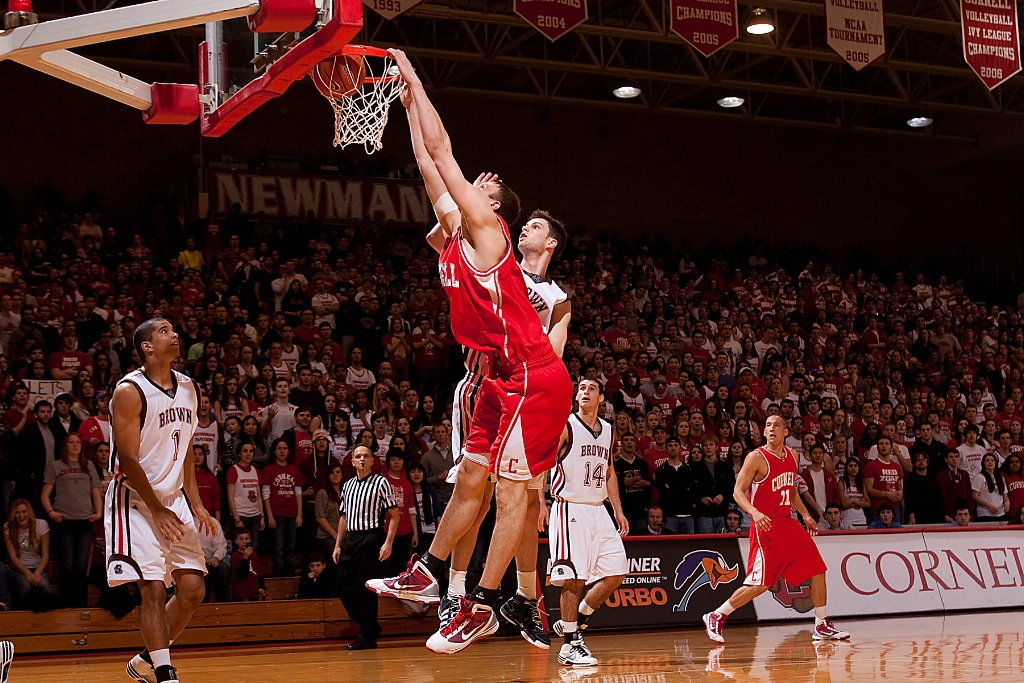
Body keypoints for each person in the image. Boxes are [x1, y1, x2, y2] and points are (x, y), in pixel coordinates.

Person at [370, 54, 573, 655]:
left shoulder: (488, 231)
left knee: (513, 494)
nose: (473, 180)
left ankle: (483, 604)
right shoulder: (458, 231)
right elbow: (426, 158)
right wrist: (406, 99)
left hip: (534, 376)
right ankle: (431, 571)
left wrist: (412, 73)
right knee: (470, 484)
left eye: (484, 184)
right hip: (498, 378)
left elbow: (444, 151)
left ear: (496, 209)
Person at [105, 318, 216, 683]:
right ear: (146, 347)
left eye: (174, 329)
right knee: (152, 586)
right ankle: (165, 673)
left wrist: (195, 502)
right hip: (134, 500)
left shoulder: (189, 387)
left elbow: (184, 447)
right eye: (165, 330)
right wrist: (156, 508)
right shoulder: (129, 390)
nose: (175, 334)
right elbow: (128, 459)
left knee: (192, 588)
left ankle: (145, 661)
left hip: (172, 498)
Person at [703, 415, 849, 643]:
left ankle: (821, 624)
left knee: (817, 570)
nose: (771, 429)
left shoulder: (792, 455)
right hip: (766, 526)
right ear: (764, 432)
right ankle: (716, 614)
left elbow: (790, 491)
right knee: (761, 584)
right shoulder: (756, 458)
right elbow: (737, 492)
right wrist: (755, 512)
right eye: (768, 425)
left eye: (776, 425)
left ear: (786, 432)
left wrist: (805, 514)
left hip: (788, 524)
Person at [546, 379, 629, 667]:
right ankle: (569, 646)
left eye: (590, 389)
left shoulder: (607, 429)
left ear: (601, 398)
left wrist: (618, 510)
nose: (584, 392)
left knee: (618, 570)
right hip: (570, 508)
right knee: (574, 576)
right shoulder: (566, 425)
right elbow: (544, 462)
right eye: (580, 389)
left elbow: (609, 471)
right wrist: (541, 503)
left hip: (598, 509)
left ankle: (577, 621)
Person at [332, 446, 399, 651]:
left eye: (366, 456)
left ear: (372, 461)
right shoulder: (348, 486)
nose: (362, 459)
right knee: (343, 585)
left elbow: (395, 516)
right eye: (358, 457)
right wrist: (337, 545)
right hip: (350, 539)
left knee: (366, 589)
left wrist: (388, 543)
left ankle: (367, 636)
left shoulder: (381, 482)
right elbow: (343, 517)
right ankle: (371, 625)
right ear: (352, 462)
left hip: (371, 538)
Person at [40, 432, 102, 607]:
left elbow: (96, 491)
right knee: (67, 564)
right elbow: (45, 495)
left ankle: (80, 604)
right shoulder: (56, 466)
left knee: (81, 565)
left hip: (84, 519)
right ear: (65, 445)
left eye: (78, 442)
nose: (75, 445)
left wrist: (98, 513)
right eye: (71, 442)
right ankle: (65, 602)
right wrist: (51, 512)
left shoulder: (88, 465)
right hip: (64, 519)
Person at [262, 439, 304, 576]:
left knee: (291, 548)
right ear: (274, 451)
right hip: (277, 514)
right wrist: (270, 516)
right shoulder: (269, 470)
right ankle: (279, 578)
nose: (282, 451)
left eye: (284, 448)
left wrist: (300, 514)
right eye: (279, 448)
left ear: (288, 451)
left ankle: (290, 577)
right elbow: (266, 494)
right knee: (278, 549)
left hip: (292, 514)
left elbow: (298, 493)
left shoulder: (294, 470)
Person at [4, 499, 54, 608]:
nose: (21, 515)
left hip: (37, 566)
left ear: (29, 512)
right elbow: (12, 556)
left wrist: (37, 573)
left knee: (45, 585)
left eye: (24, 511)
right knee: (25, 585)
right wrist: (27, 573)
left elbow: (45, 554)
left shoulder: (42, 525)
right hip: (18, 568)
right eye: (17, 512)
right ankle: (17, 611)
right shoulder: (8, 527)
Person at [863, 436, 904, 523]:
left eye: (887, 444)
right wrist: (887, 494)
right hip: (878, 509)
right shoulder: (871, 466)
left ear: (891, 447)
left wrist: (900, 492)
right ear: (877, 448)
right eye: (881, 444)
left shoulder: (897, 466)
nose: (884, 446)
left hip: (894, 508)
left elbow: (899, 487)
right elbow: (868, 489)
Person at [904, 451, 945, 524]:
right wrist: (911, 515)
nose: (921, 462)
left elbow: (939, 499)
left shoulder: (932, 480)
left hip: (933, 516)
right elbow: (909, 500)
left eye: (923, 459)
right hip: (918, 515)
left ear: (927, 463)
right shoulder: (910, 480)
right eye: (918, 460)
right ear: (914, 463)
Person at [936, 449, 973, 523]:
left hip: (964, 514)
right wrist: (945, 514)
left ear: (959, 459)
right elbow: (942, 496)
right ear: (946, 459)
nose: (954, 459)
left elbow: (969, 495)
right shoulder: (941, 475)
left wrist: (970, 514)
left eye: (956, 457)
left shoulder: (964, 474)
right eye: (951, 457)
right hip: (950, 513)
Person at [229, 528, 265, 601]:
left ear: (250, 540)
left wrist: (261, 587)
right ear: (236, 541)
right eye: (241, 539)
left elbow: (259, 574)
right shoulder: (235, 556)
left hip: (254, 591)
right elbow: (240, 574)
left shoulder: (254, 556)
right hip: (241, 593)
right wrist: (245, 558)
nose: (244, 542)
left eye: (246, 539)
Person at [198, 517, 229, 603]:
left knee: (223, 568)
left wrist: (216, 557)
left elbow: (220, 546)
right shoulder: (185, 522)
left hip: (210, 560)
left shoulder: (212, 522)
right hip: (194, 562)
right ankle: (202, 604)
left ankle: (224, 604)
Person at [972, 453, 1009, 520]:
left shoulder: (1001, 478)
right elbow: (974, 496)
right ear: (983, 463)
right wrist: (989, 506)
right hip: (985, 514)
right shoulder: (979, 477)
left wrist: (1007, 502)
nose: (990, 462)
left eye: (992, 460)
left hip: (1000, 513)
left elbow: (1005, 495)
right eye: (987, 460)